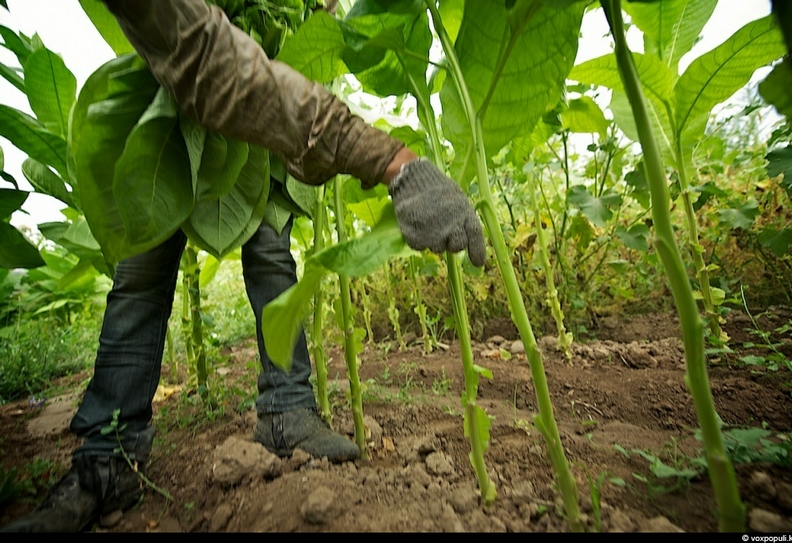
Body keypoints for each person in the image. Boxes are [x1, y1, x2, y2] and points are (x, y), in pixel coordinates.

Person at [1, 0, 485, 532]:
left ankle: (287, 410)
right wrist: (389, 159)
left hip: (258, 99)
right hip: (175, 94)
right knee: (140, 271)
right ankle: (107, 455)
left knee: (272, 249)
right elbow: (205, 53)